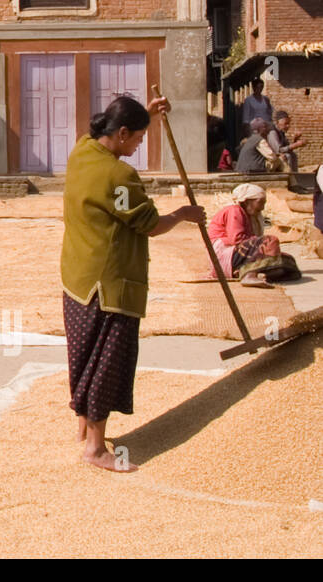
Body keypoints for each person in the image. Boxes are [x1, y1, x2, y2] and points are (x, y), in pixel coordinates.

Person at [61, 95, 205, 472]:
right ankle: (94, 448)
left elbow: (119, 121)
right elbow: (149, 225)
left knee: (84, 355)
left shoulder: (82, 150)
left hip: (77, 277)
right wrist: (183, 214)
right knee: (107, 363)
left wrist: (150, 113)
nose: (140, 145)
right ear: (122, 133)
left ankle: (83, 426)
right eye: (138, 138)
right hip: (109, 285)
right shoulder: (120, 177)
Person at [207, 183, 299, 286]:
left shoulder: (248, 214)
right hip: (225, 256)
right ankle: (249, 275)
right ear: (246, 202)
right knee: (270, 241)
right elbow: (237, 239)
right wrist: (263, 244)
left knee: (286, 260)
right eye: (260, 203)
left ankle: (247, 272)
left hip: (237, 257)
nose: (262, 208)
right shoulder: (234, 210)